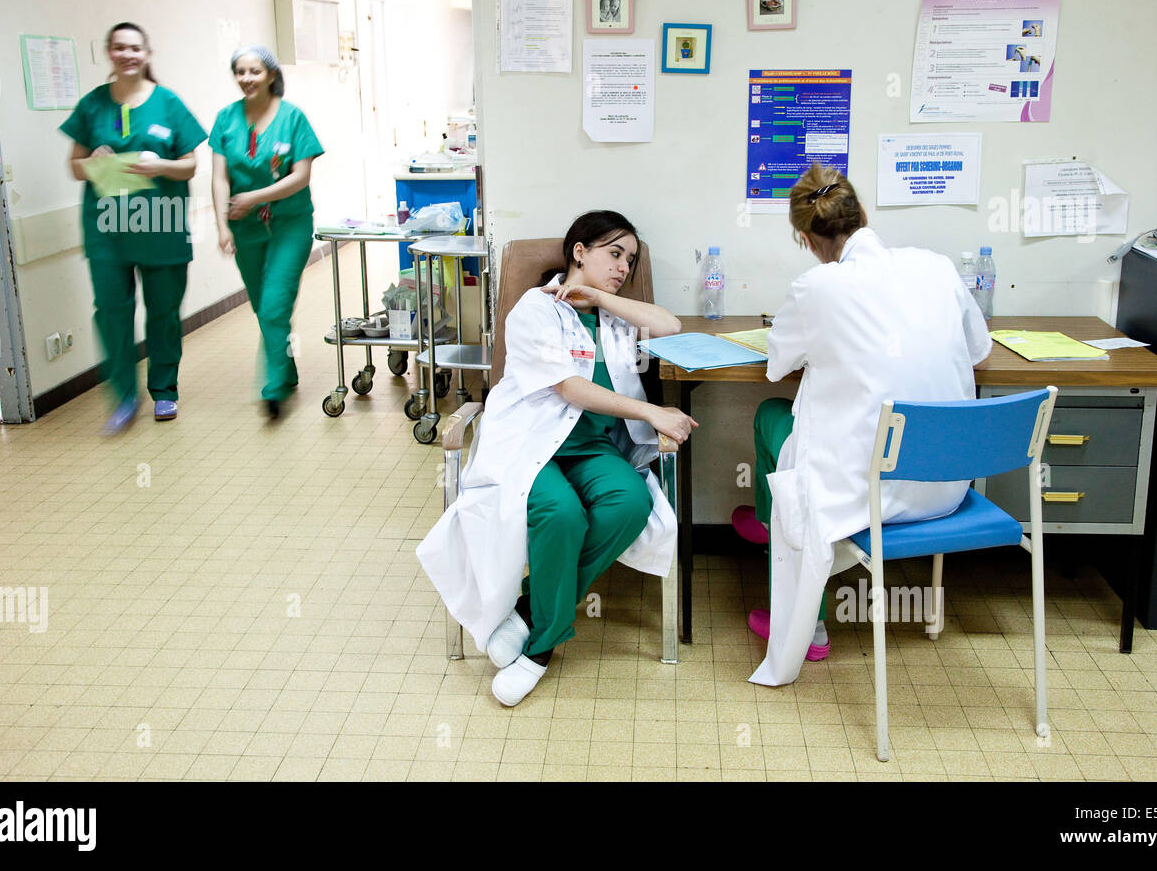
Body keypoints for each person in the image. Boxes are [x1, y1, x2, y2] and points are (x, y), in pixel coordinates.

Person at [416, 211, 697, 707]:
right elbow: (570, 389)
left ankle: (527, 613)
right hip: (532, 443)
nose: (623, 267)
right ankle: (541, 649)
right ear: (579, 251)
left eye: (629, 261)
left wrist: (604, 297)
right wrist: (652, 411)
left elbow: (670, 326)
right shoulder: (535, 308)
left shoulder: (612, 313)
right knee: (561, 513)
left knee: (629, 503)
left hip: (591, 446)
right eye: (614, 253)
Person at [745, 164, 992, 687]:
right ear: (865, 215)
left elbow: (775, 367)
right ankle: (774, 535)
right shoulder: (936, 267)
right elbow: (979, 349)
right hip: (948, 489)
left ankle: (799, 605)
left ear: (806, 239)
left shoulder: (817, 285)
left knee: (770, 417)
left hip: (869, 495)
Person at [61, 22, 207, 432]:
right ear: (109, 52)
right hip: (108, 230)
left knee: (163, 314)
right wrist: (94, 162)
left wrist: (161, 165)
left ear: (146, 54)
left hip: (161, 228)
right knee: (112, 314)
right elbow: (74, 167)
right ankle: (123, 396)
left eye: (135, 48)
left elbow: (191, 164)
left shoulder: (168, 103)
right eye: (119, 47)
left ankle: (164, 392)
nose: (127, 55)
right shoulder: (92, 106)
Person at [210, 46, 324, 418]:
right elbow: (218, 176)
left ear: (271, 75)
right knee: (264, 307)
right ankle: (286, 366)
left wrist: (254, 196)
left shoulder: (293, 118)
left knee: (275, 302)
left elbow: (301, 176)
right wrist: (222, 225)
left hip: (289, 224)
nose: (246, 78)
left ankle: (273, 388)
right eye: (240, 72)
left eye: (254, 71)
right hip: (246, 229)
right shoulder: (226, 119)